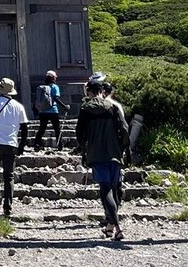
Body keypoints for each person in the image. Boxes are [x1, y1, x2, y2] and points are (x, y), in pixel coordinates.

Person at [76, 71, 129, 240]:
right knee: (114, 189)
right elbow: (124, 129)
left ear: (89, 92)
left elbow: (80, 133)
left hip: (96, 153)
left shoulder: (85, 109)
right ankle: (111, 228)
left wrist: (83, 149)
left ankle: (117, 228)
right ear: (102, 90)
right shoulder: (113, 107)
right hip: (114, 152)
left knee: (105, 190)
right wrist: (124, 148)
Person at [0, 77, 29, 218]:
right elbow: (25, 128)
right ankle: (8, 205)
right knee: (9, 176)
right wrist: (22, 145)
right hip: (11, 144)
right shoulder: (18, 107)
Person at [32, 70, 64, 150]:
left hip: (43, 111)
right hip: (53, 110)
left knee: (42, 128)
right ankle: (59, 145)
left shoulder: (43, 87)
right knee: (57, 129)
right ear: (53, 78)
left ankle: (37, 144)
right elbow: (56, 98)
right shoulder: (54, 87)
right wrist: (64, 106)